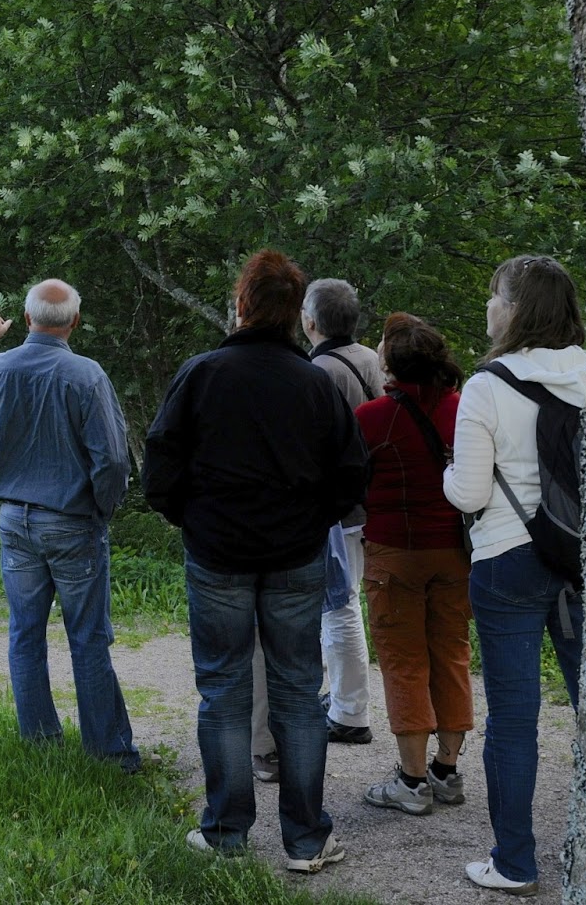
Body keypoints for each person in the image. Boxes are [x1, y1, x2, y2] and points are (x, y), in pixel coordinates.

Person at [143, 250, 366, 872]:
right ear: (296, 314)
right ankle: (305, 839)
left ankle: (226, 832)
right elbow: (351, 474)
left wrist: (192, 517)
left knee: (223, 691)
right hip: (295, 556)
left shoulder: (204, 373)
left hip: (219, 554)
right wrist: (310, 518)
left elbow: (160, 466)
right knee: (298, 694)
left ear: (242, 304)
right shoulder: (316, 385)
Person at [0, 279, 142, 772]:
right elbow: (112, 459)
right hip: (72, 521)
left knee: (25, 633)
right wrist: (102, 509)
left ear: (30, 318)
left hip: (15, 519)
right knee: (88, 637)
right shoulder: (86, 375)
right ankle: (110, 754)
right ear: (74, 322)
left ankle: (41, 744)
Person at [444, 255, 586, 896]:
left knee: (513, 719)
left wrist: (447, 476)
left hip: (507, 558)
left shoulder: (487, 385)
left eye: (496, 296)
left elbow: (469, 490)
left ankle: (515, 863)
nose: (488, 307)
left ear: (518, 309)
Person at [356, 313, 473, 817]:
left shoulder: (372, 418)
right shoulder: (462, 409)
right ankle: (447, 771)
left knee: (404, 661)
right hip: (455, 551)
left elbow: (348, 483)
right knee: (452, 653)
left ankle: (412, 781)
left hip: (394, 554)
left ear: (392, 364)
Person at [302, 278, 379, 746]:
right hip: (371, 505)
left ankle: (350, 710)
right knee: (343, 603)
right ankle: (341, 700)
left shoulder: (319, 371)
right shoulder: (372, 359)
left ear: (310, 322)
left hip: (339, 510)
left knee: (339, 605)